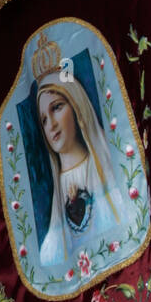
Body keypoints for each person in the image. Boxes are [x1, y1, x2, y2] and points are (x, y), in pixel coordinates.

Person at [29, 37, 126, 267]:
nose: (50, 124)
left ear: (78, 107)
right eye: (43, 119)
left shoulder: (109, 173)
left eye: (57, 108)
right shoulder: (55, 211)